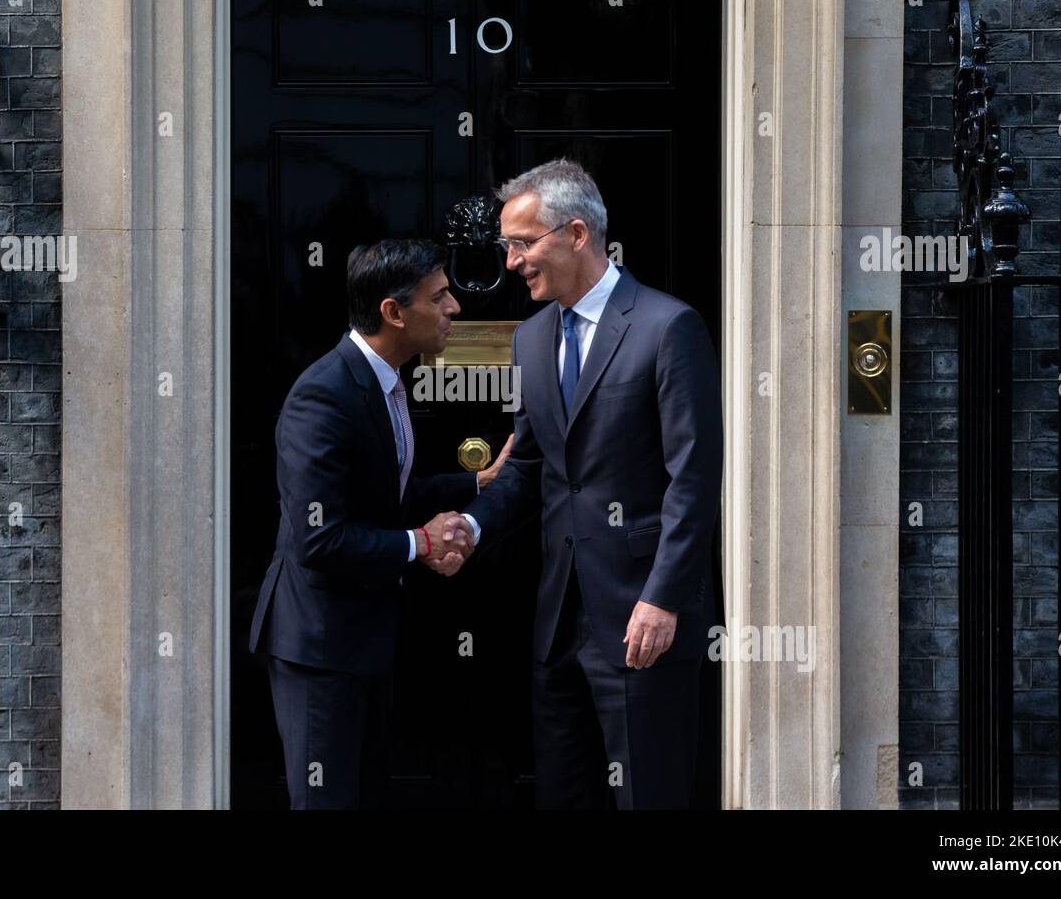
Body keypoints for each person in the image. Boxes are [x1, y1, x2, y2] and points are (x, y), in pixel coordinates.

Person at [448, 159, 723, 809]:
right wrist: (474, 524)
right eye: (507, 245)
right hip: (557, 628)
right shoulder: (532, 337)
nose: (511, 261)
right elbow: (529, 465)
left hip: (642, 618)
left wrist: (663, 599)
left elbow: (694, 478)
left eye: (522, 242)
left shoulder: (667, 327)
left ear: (576, 234)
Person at [250, 238, 510, 809]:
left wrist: (475, 483)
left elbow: (384, 498)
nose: (455, 309)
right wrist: (421, 543)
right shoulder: (324, 396)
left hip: (366, 643)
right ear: (393, 312)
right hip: (320, 650)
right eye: (439, 297)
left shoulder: (388, 381)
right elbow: (321, 538)